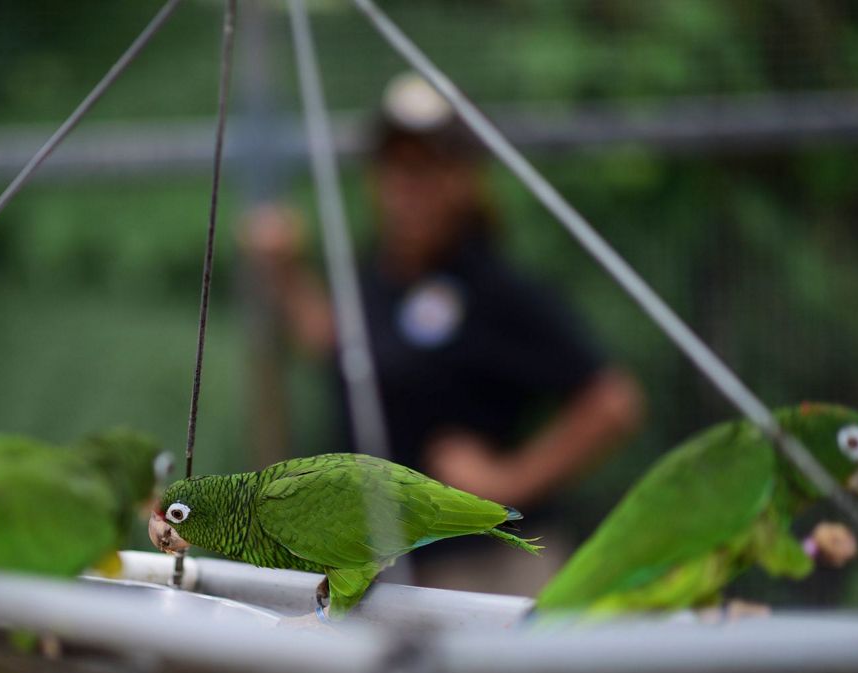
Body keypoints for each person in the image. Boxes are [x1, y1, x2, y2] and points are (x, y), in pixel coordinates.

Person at [242, 72, 644, 599]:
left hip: (481, 572)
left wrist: (509, 480)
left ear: (465, 178)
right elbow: (339, 345)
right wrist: (287, 273)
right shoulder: (376, 276)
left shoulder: (493, 290)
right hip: (384, 569)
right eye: (395, 168)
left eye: (427, 169)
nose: (408, 189)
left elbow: (613, 403)